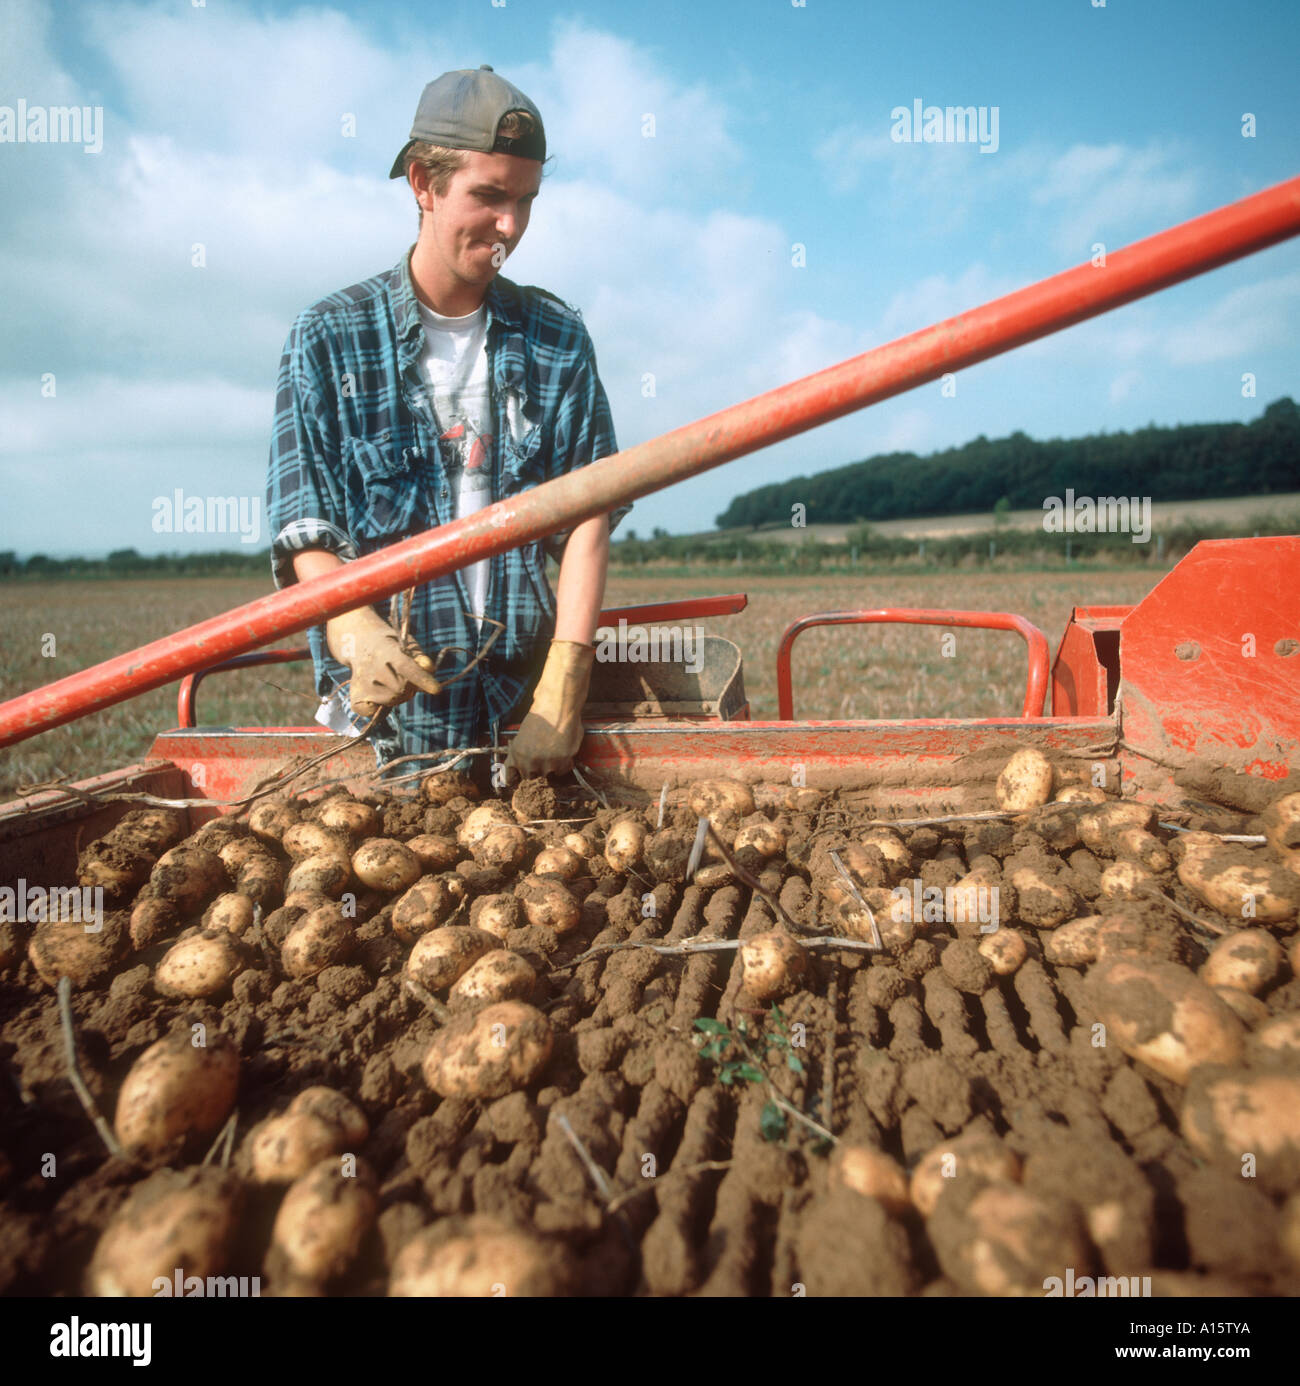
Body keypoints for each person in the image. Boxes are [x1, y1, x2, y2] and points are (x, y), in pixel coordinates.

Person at [266, 66, 630, 788]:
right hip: (396, 725)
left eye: (526, 201)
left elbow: (589, 512)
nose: (510, 226)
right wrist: (354, 627)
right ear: (422, 185)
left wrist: (568, 676)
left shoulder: (557, 336)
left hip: (525, 710)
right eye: (488, 197)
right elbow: (306, 526)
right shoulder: (329, 339)